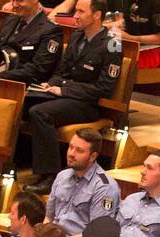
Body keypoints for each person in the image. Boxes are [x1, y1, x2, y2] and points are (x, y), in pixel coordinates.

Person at [21, 0, 123, 194]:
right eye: (75, 10)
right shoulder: (77, 36)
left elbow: (103, 88)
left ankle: (50, 176)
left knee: (40, 113)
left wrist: (65, 89)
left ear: (96, 15)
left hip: (87, 104)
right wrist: (52, 83)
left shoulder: (112, 44)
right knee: (25, 101)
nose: (75, 16)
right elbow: (62, 71)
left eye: (80, 12)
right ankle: (20, 163)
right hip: (64, 97)